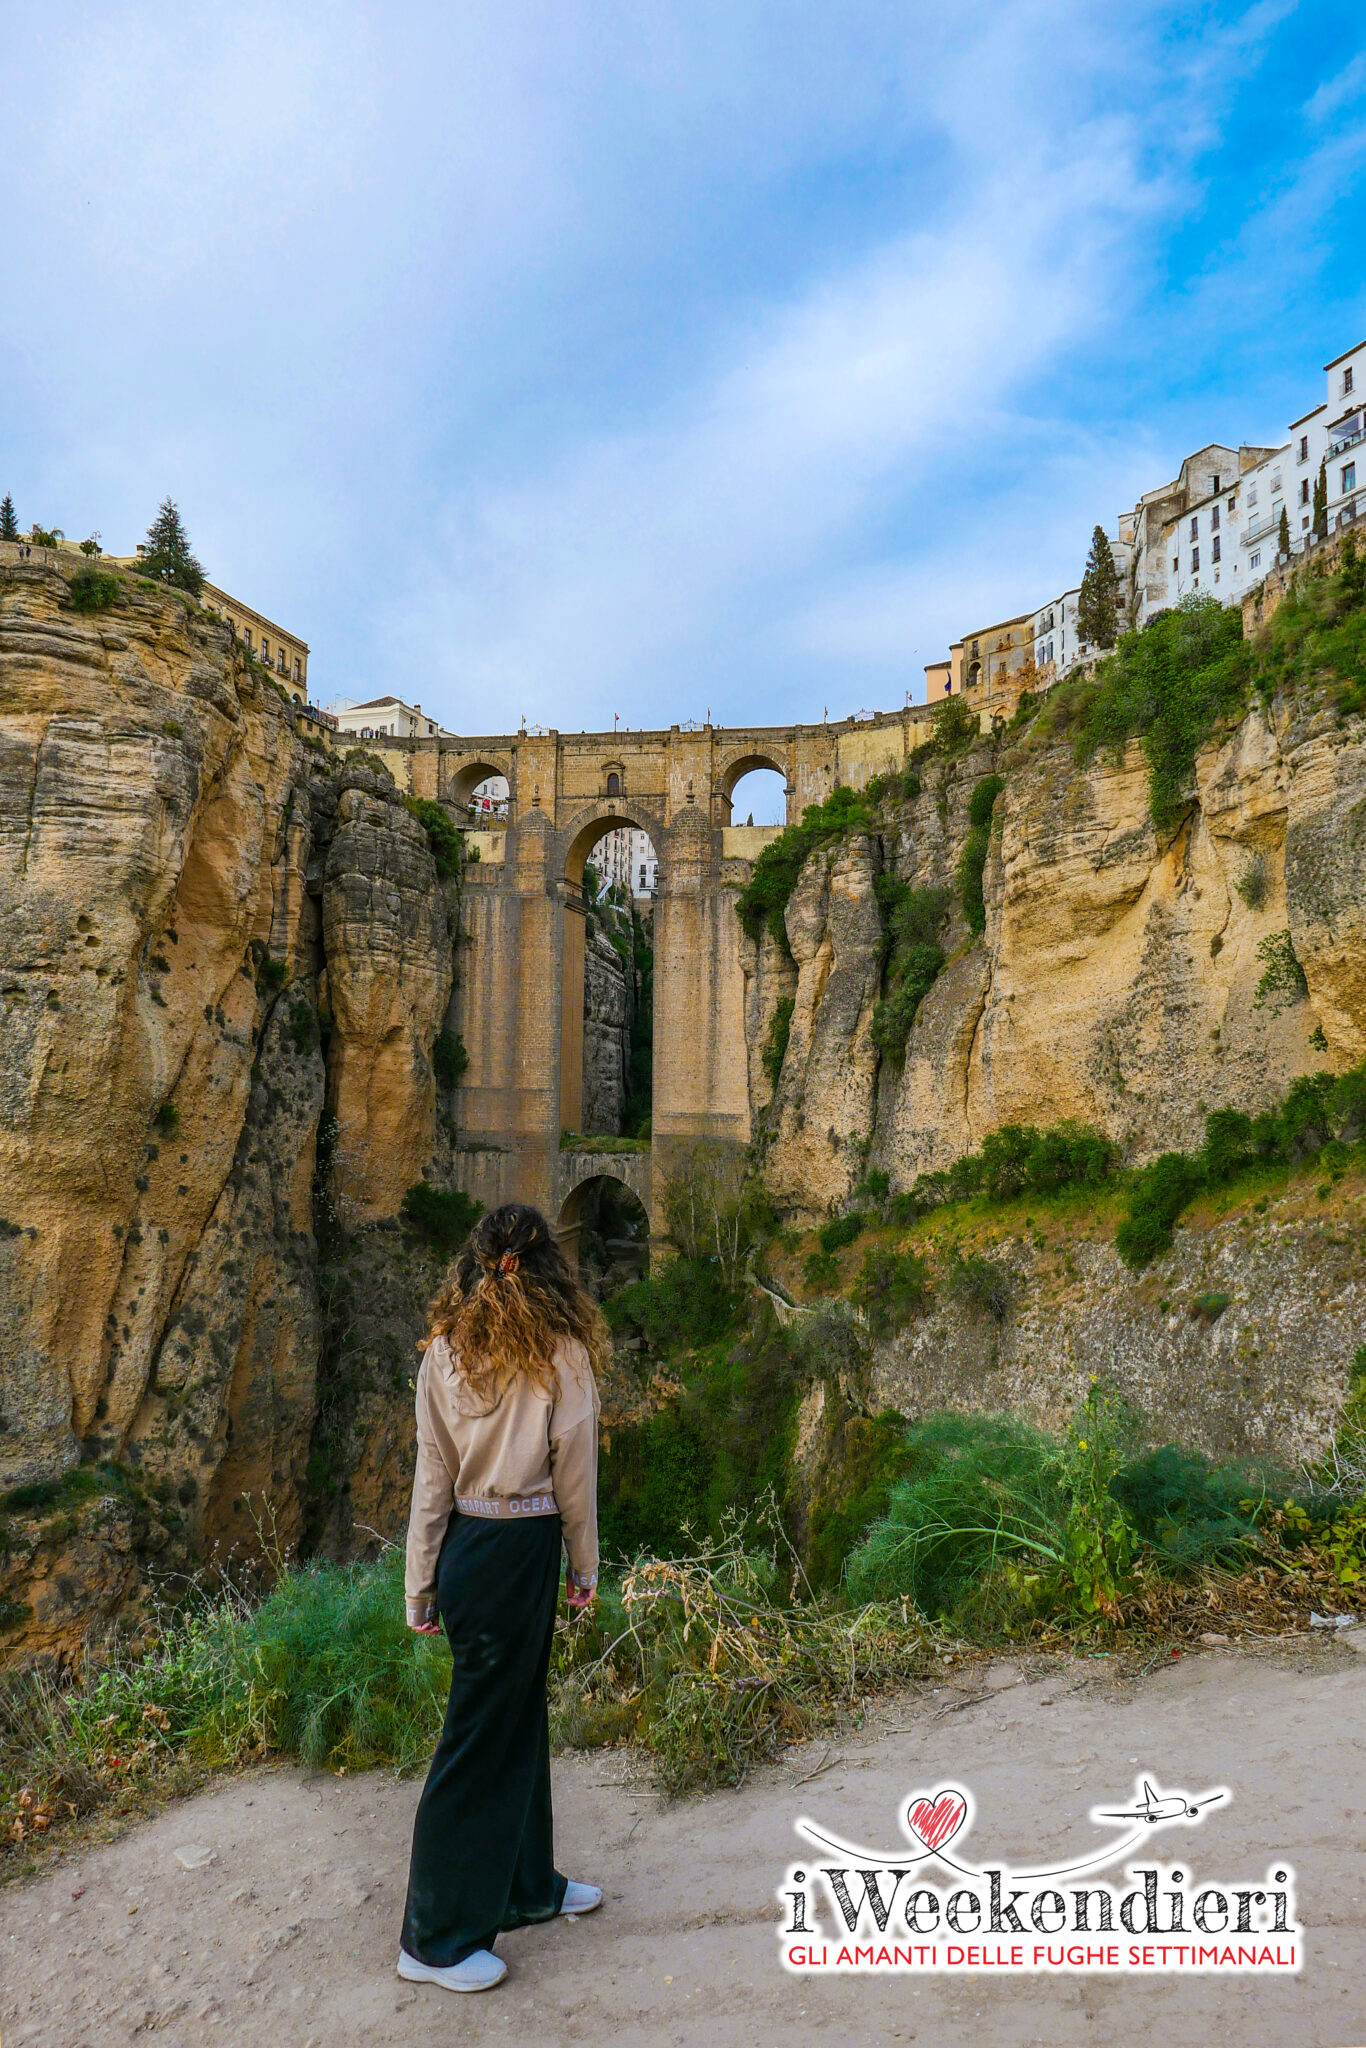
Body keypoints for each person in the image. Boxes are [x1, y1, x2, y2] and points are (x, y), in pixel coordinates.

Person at [397, 1203, 608, 1995]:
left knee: (516, 1714)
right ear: (547, 1266)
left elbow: (430, 1483)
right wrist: (584, 1566)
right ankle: (432, 1942)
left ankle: (526, 1889)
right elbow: (575, 1472)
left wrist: (422, 1581)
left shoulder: (442, 1355)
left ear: (477, 1265)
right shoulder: (564, 1353)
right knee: (477, 1737)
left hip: (468, 1552)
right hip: (522, 1551)